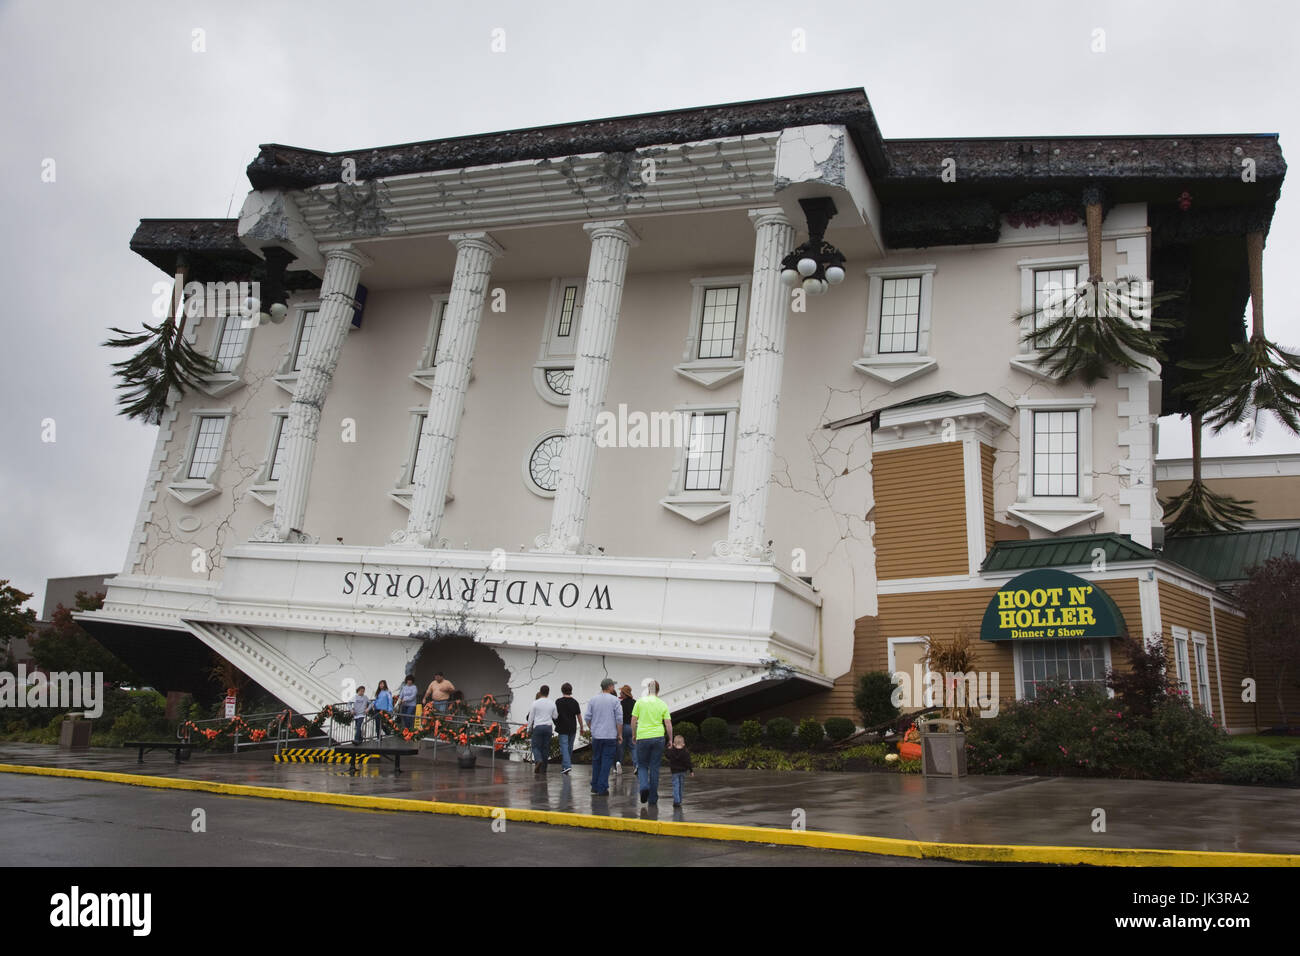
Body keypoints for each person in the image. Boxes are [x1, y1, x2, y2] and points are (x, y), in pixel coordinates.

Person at [631, 679, 672, 805]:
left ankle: (643, 787)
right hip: (658, 737)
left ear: (648, 689)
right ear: (658, 690)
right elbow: (668, 723)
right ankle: (653, 798)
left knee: (642, 765)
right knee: (654, 767)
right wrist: (670, 738)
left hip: (642, 736)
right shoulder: (662, 704)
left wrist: (634, 734)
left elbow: (633, 720)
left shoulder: (639, 702)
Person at [583, 678, 622, 796]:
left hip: (597, 735)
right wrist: (619, 734)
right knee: (606, 761)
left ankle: (594, 785)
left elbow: (587, 717)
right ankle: (602, 787)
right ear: (609, 686)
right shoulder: (615, 700)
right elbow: (619, 719)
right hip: (610, 735)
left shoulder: (593, 699)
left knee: (596, 760)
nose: (613, 688)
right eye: (613, 686)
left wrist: (592, 728)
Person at [527, 685, 559, 774]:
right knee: (545, 748)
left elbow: (531, 717)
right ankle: (543, 769)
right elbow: (555, 716)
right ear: (548, 693)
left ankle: (538, 760)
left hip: (538, 727)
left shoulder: (535, 703)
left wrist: (528, 729)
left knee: (535, 746)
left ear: (540, 692)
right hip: (548, 727)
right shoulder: (552, 703)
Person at [554, 682, 583, 775]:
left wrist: (555, 723)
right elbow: (579, 716)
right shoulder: (575, 702)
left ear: (562, 690)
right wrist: (582, 726)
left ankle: (567, 766)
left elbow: (554, 715)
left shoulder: (558, 702)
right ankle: (565, 766)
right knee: (569, 748)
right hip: (572, 727)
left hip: (562, 727)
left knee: (564, 748)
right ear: (571, 691)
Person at [665, 734, 694, 807]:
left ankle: (676, 801)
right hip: (683, 772)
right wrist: (691, 771)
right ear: (683, 744)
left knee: (675, 786)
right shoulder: (685, 752)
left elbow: (667, 755)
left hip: (674, 772)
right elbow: (688, 762)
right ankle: (679, 800)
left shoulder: (672, 751)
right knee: (681, 786)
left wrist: (668, 748)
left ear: (674, 744)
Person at [617, 684, 636, 773]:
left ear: (624, 693)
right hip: (632, 727)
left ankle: (618, 765)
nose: (620, 693)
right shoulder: (635, 702)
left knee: (621, 748)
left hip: (623, 727)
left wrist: (618, 732)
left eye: (621, 692)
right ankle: (637, 765)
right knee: (633, 748)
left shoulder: (621, 703)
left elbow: (619, 718)